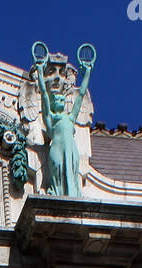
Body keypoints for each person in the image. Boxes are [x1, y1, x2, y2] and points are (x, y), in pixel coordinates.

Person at [33, 50, 92, 197]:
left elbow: (81, 94)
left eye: (62, 99)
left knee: (71, 175)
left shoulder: (71, 117)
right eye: (57, 100)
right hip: (57, 150)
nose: (60, 100)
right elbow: (44, 95)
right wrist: (40, 71)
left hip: (71, 150)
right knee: (58, 178)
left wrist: (87, 73)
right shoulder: (50, 118)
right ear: (52, 104)